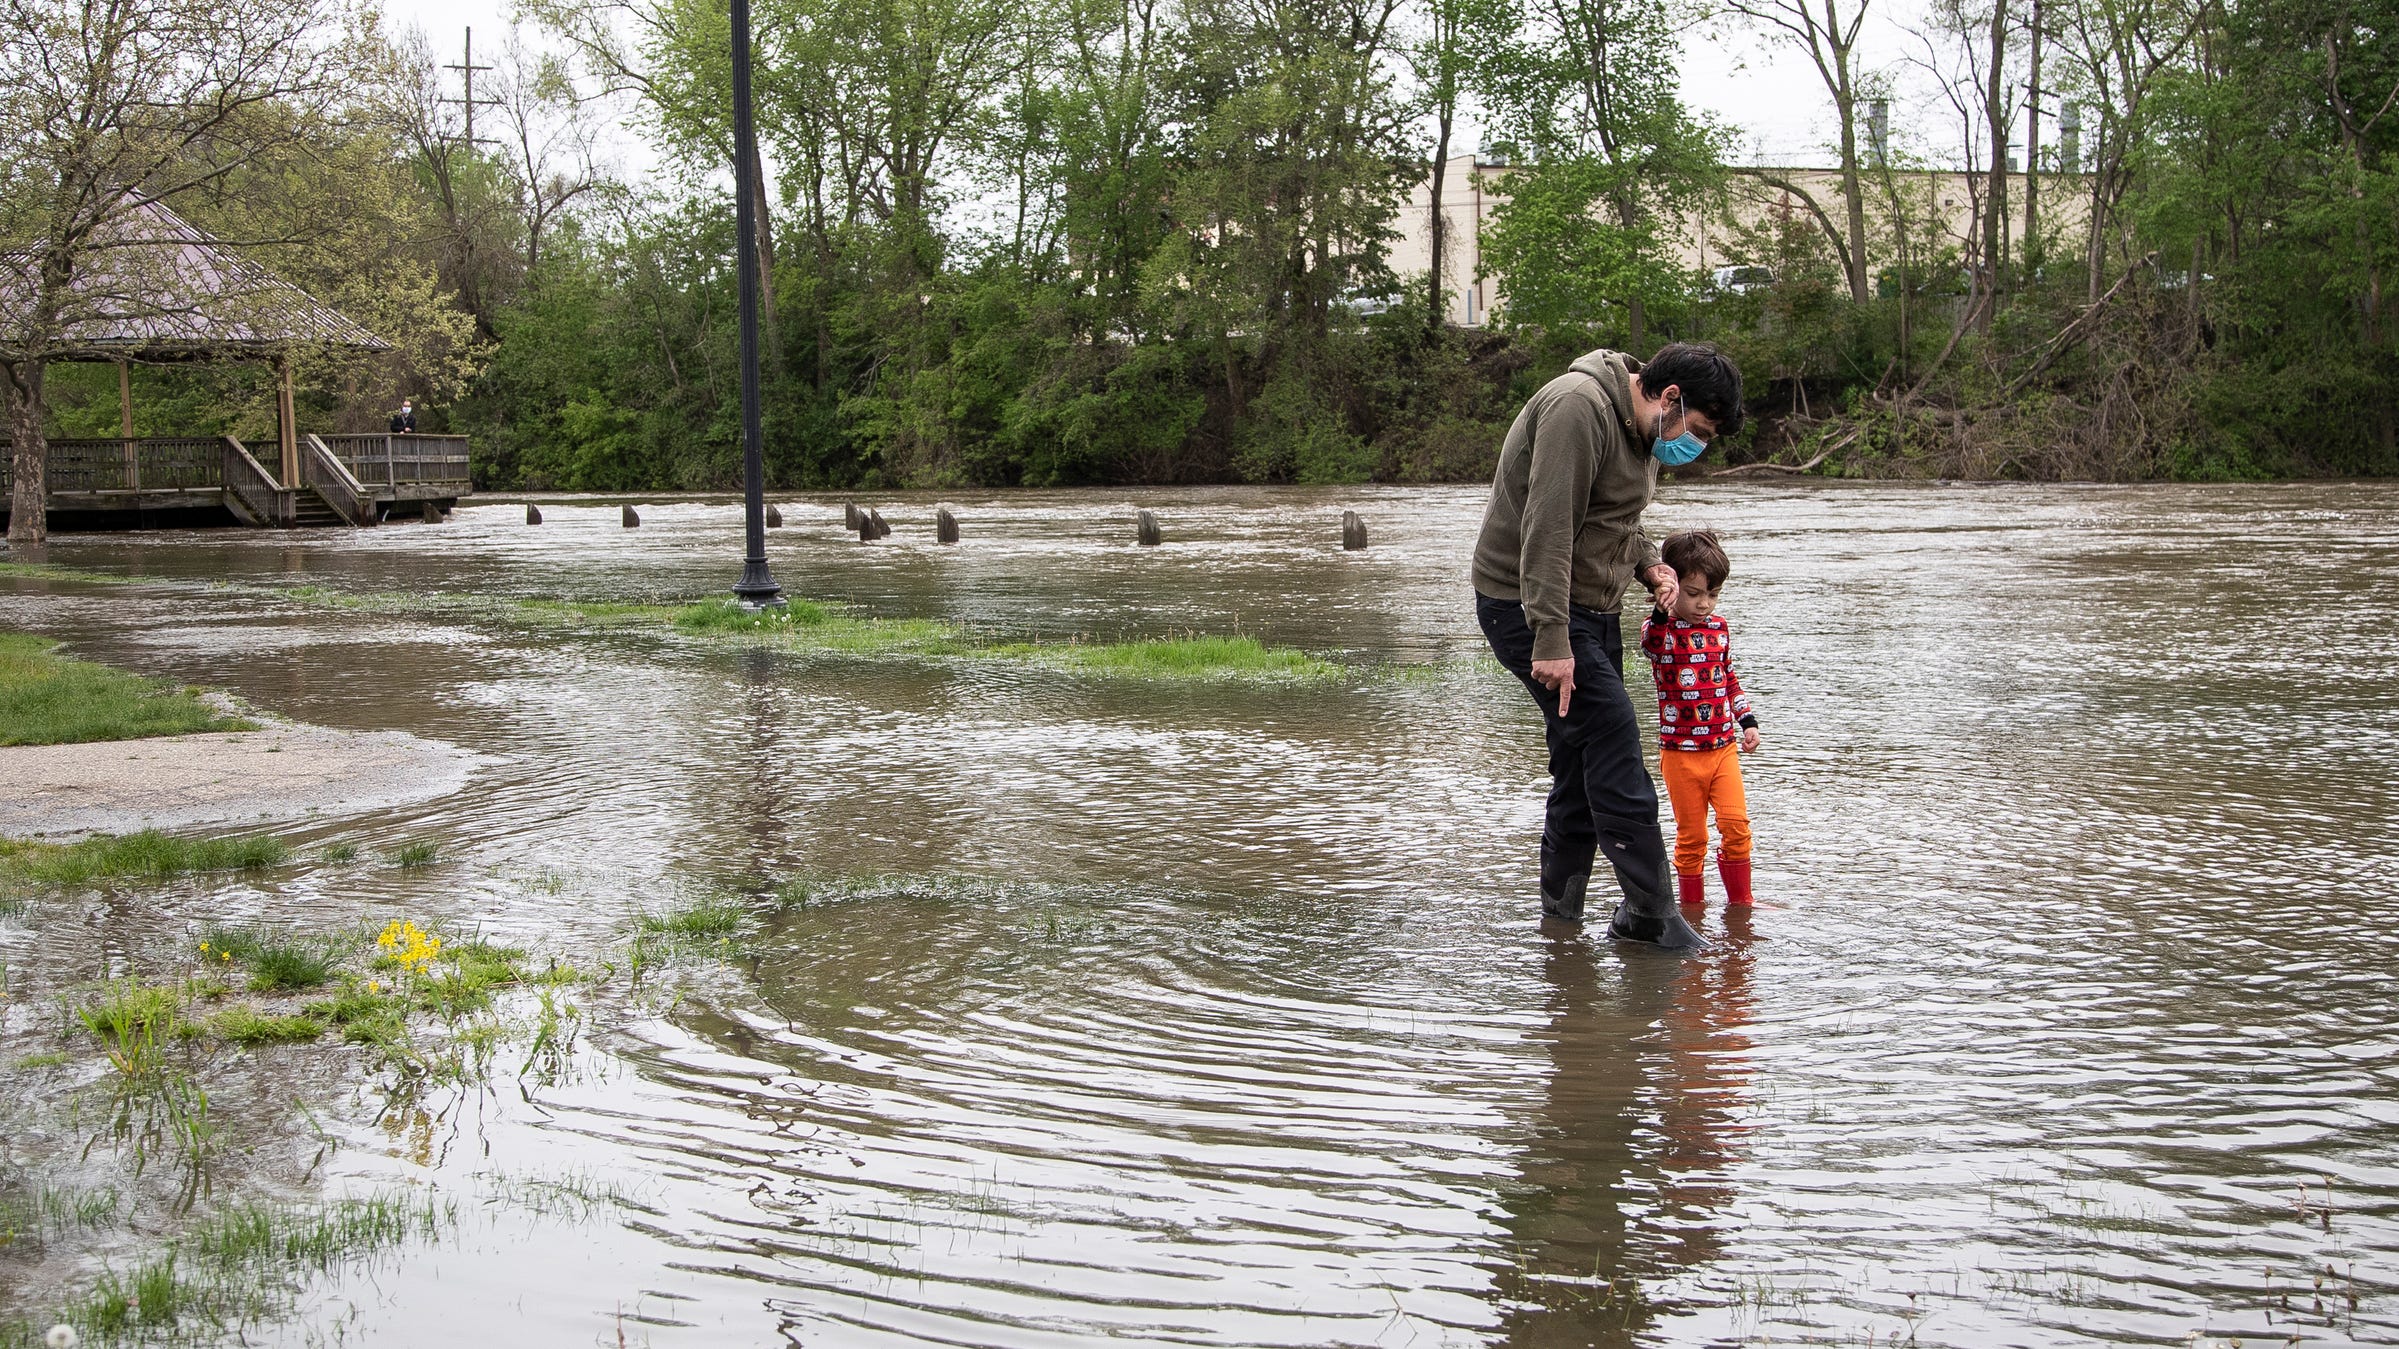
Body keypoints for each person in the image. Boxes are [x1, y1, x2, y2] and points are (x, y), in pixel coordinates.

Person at [1473, 341, 1745, 950]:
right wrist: (1550, 636)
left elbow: (1614, 518)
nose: (1693, 447)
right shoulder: (1578, 407)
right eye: (1696, 430)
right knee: (1614, 728)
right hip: (1526, 604)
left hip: (1590, 604)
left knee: (1580, 759)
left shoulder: (1639, 429)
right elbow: (1548, 527)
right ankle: (1650, 913)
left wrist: (1651, 566)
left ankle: (1559, 920)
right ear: (1670, 397)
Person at [1640, 529, 1760, 908]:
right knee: (1692, 839)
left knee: (1737, 827)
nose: (1704, 604)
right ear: (1672, 587)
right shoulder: (1661, 631)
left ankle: (1742, 904)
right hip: (1680, 755)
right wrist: (1662, 608)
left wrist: (1748, 721)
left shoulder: (1719, 629)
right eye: (1694, 594)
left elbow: (1729, 680)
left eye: (1713, 594)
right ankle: (1693, 913)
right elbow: (1651, 644)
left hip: (1723, 749)